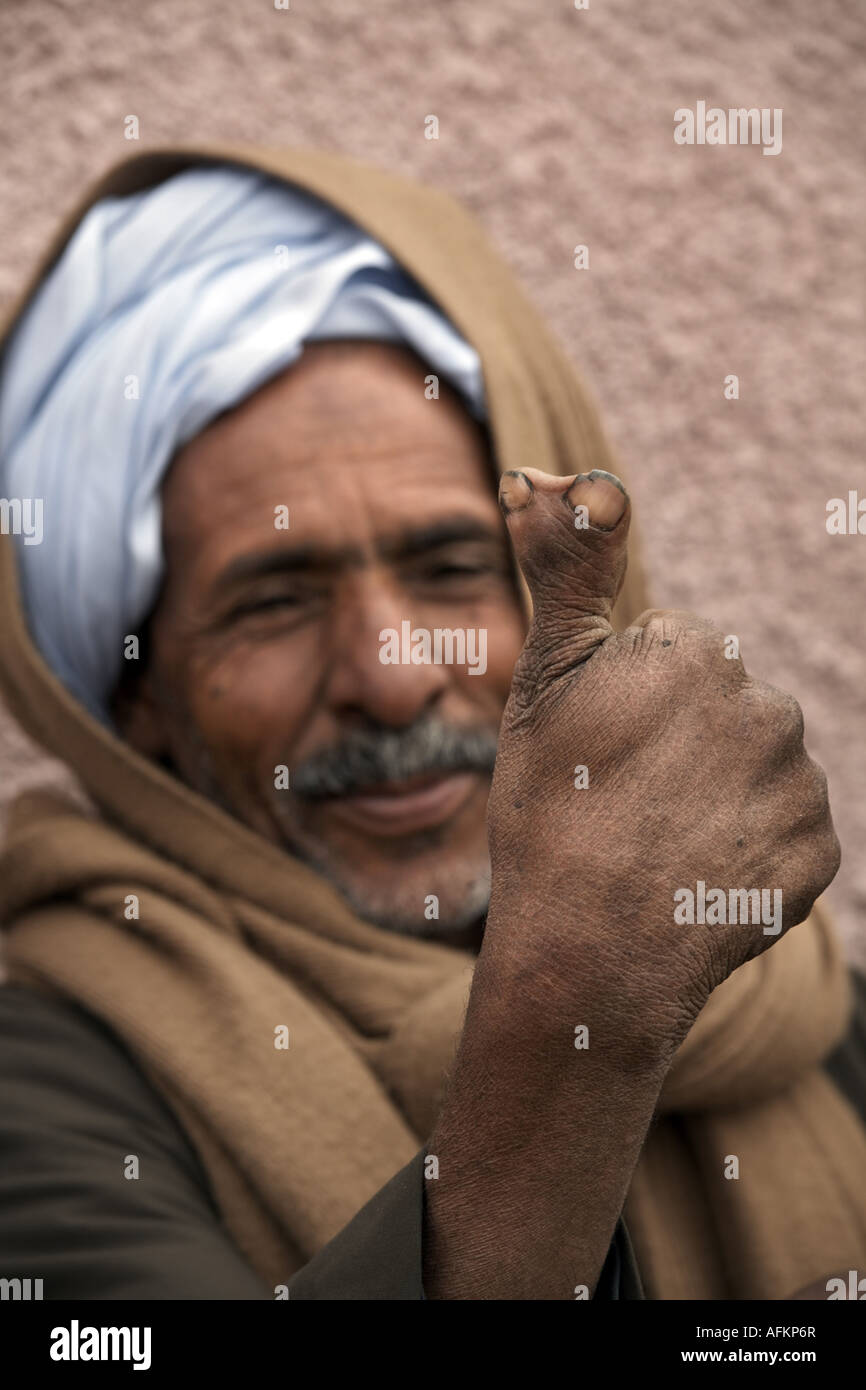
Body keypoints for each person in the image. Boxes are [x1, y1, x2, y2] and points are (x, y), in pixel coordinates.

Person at [0, 147, 863, 1301]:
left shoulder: (795, 1004)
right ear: (134, 698)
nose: (393, 678)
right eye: (272, 599)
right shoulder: (43, 1083)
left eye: (450, 564)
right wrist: (573, 1020)